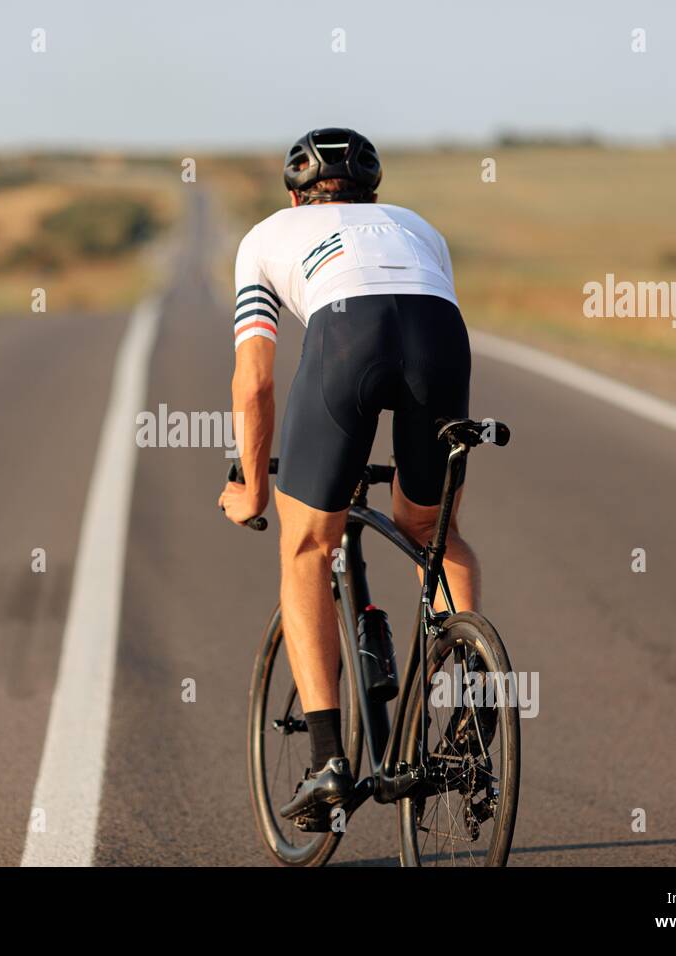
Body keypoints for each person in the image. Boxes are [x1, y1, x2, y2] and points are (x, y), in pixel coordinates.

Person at [217, 128, 480, 829]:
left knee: (306, 547)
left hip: (344, 342)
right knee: (432, 528)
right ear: (374, 192)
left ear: (295, 192)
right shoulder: (418, 227)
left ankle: (328, 762)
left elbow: (255, 382)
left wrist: (248, 483)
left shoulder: (267, 235)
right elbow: (417, 316)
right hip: (439, 338)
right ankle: (470, 705)